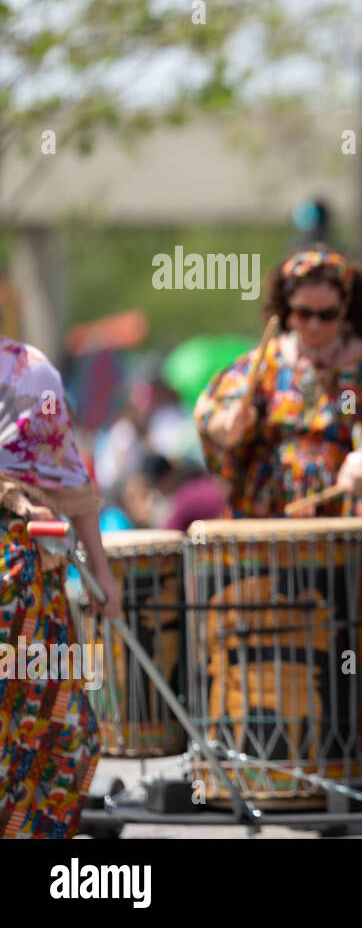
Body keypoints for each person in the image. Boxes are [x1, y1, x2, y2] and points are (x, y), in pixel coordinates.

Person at [0, 334, 122, 838]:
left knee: (68, 739)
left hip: (33, 580)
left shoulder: (30, 370)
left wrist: (101, 568)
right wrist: (14, 496)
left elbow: (68, 474)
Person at [194, 246, 362, 527]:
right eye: (304, 313)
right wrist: (229, 424)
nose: (315, 325)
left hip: (345, 527)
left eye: (326, 314)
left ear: (345, 308)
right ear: (287, 309)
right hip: (267, 523)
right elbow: (213, 411)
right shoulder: (264, 364)